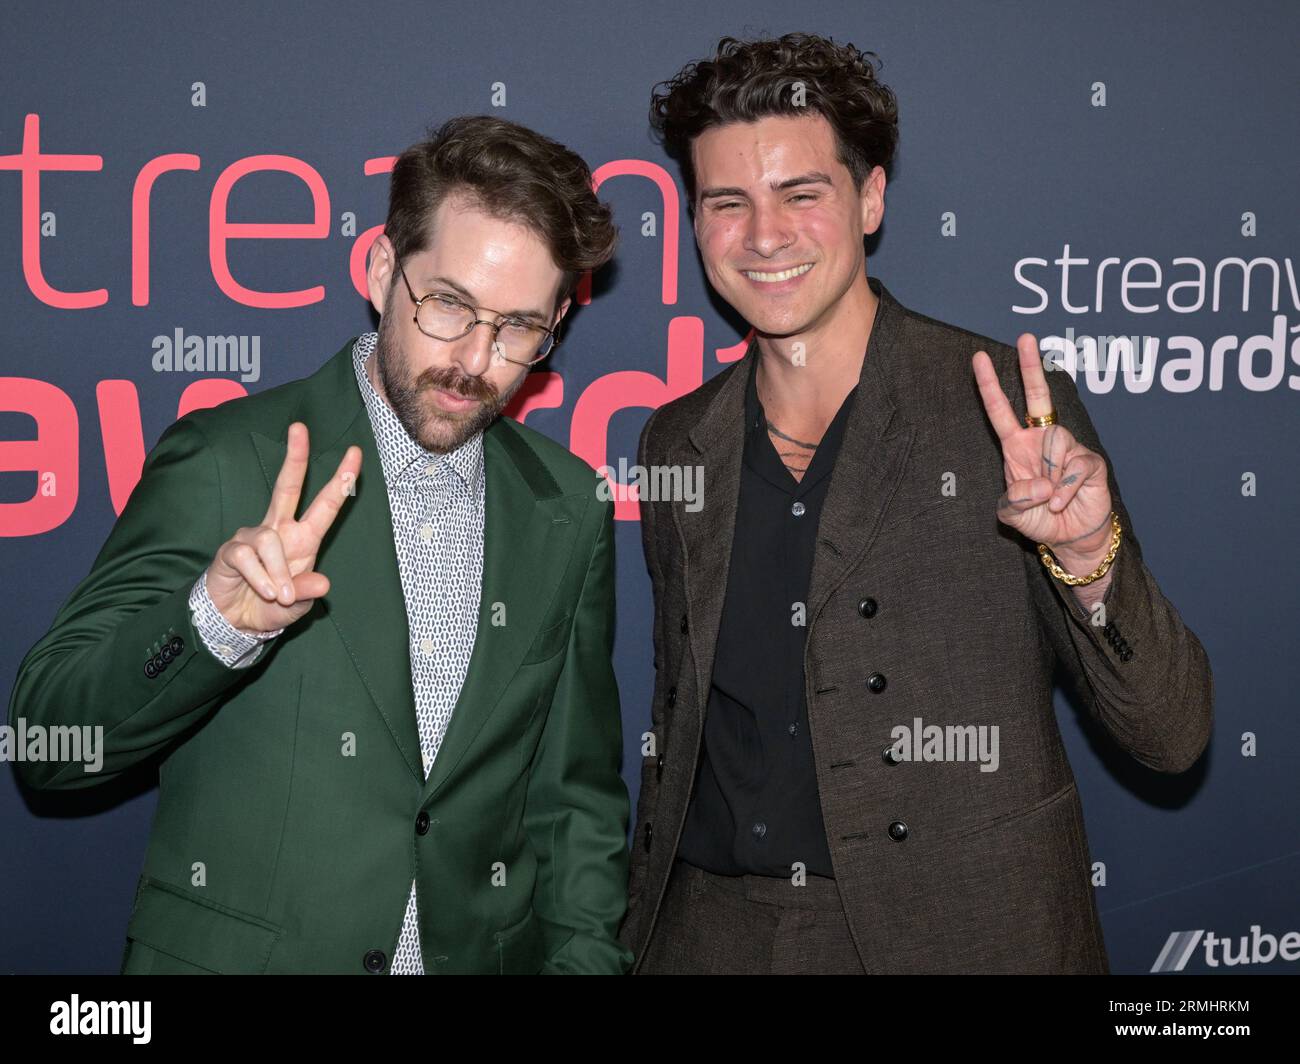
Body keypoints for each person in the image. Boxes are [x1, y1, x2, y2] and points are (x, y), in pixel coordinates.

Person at [618, 33, 1213, 974]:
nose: (763, 236)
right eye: (727, 203)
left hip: (966, 935)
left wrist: (1092, 554)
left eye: (801, 194)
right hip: (709, 936)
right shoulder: (673, 440)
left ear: (872, 198)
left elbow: (1172, 736)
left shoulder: (1004, 411)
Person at [8, 114, 635, 975]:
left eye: (520, 327)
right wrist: (216, 624)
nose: (476, 361)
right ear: (382, 271)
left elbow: (576, 802)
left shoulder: (566, 504)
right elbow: (50, 739)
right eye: (448, 304)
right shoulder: (231, 459)